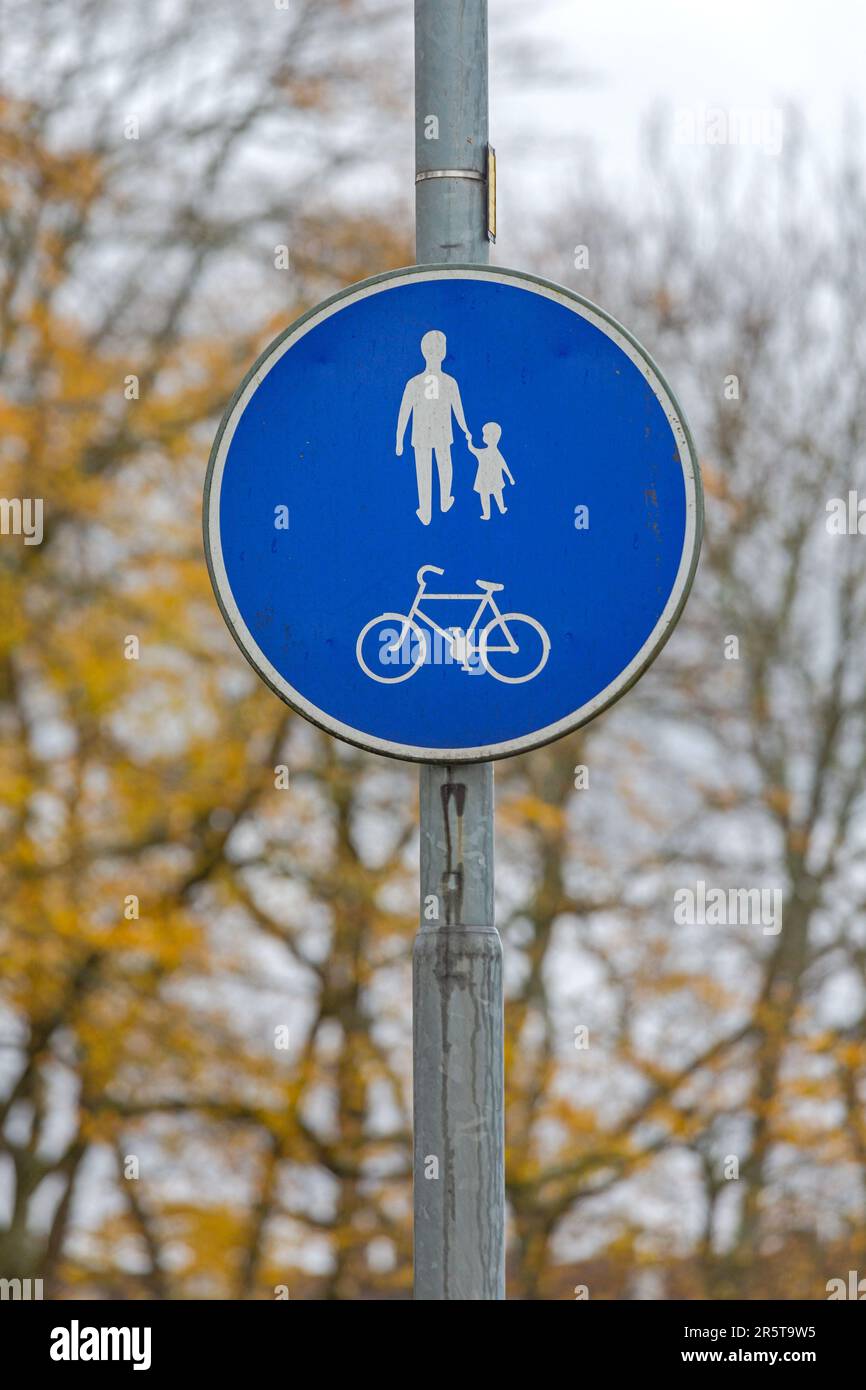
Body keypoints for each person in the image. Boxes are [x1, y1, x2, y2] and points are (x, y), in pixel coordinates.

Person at [396, 330, 471, 525]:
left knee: (424, 471)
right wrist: (465, 430)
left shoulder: (413, 382)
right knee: (445, 465)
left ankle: (425, 511)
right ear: (444, 353)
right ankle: (445, 500)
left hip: (420, 435)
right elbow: (459, 412)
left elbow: (404, 413)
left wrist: (399, 441)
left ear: (423, 352)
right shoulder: (449, 382)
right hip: (443, 433)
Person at [467, 422, 514, 519]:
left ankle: (500, 509)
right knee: (489, 494)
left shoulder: (492, 453)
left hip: (491, 478)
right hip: (486, 478)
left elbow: (503, 465)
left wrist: (510, 477)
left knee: (495, 493)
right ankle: (489, 513)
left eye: (486, 434)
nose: (484, 436)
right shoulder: (485, 452)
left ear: (494, 437)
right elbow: (473, 450)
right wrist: (469, 441)